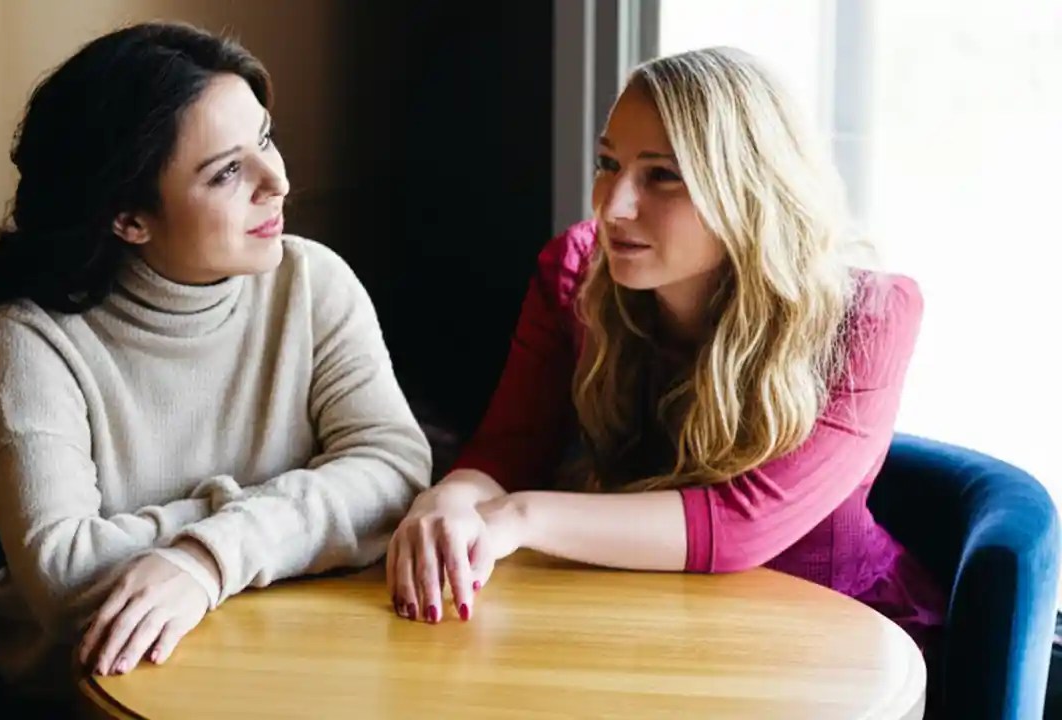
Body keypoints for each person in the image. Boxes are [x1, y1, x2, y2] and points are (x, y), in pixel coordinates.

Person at [387, 45, 945, 680]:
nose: (614, 204)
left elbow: (742, 525)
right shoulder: (576, 273)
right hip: (645, 633)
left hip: (828, 656)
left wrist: (519, 516)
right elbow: (507, 450)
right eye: (608, 163)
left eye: (662, 175)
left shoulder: (869, 315)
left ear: (749, 187)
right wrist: (452, 500)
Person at [0, 21, 431, 711]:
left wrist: (204, 560)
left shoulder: (314, 284)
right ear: (129, 218)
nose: (277, 181)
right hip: (75, 698)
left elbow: (395, 472)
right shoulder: (27, 334)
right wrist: (301, 514)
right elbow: (66, 578)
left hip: (273, 667)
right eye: (227, 172)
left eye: (266, 139)